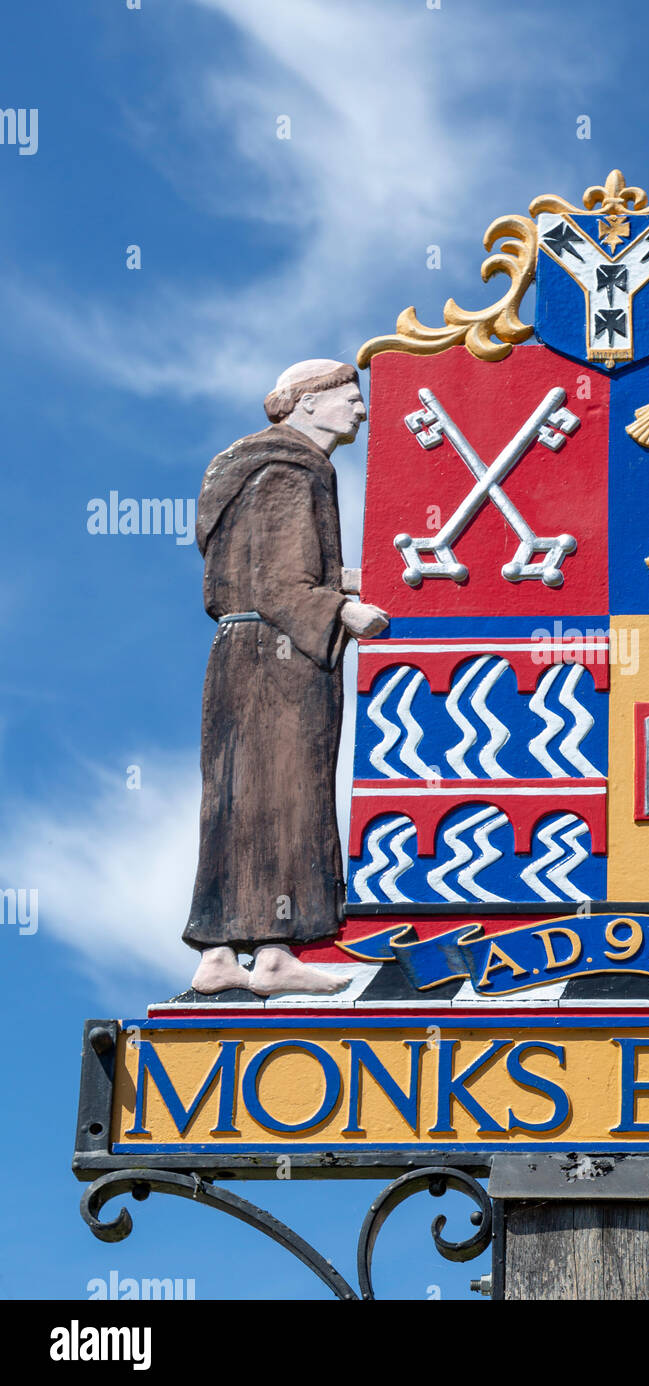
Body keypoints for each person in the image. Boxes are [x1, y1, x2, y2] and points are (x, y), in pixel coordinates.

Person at [184, 360, 388, 996]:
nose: (361, 410)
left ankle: (235, 955)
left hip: (245, 651)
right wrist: (343, 610)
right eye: (349, 399)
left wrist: (344, 580)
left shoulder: (255, 466)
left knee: (242, 801)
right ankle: (267, 952)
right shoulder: (291, 468)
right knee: (285, 798)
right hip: (278, 657)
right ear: (307, 405)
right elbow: (278, 578)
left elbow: (262, 568)